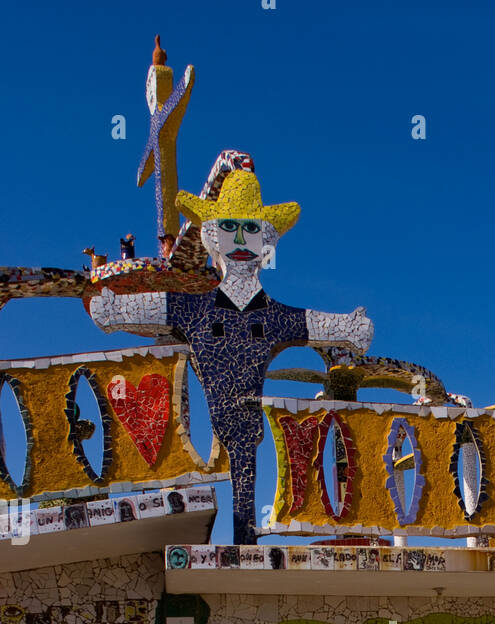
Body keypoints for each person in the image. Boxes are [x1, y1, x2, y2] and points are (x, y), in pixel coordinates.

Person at [88, 170, 373, 543]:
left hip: (245, 420)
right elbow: (159, 307)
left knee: (243, 455)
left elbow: (310, 323)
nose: (239, 240)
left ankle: (245, 535)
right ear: (212, 237)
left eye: (250, 230)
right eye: (228, 229)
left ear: (265, 241)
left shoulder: (273, 316)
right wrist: (114, 311)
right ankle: (244, 535)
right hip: (224, 421)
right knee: (237, 452)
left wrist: (348, 329)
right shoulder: (195, 309)